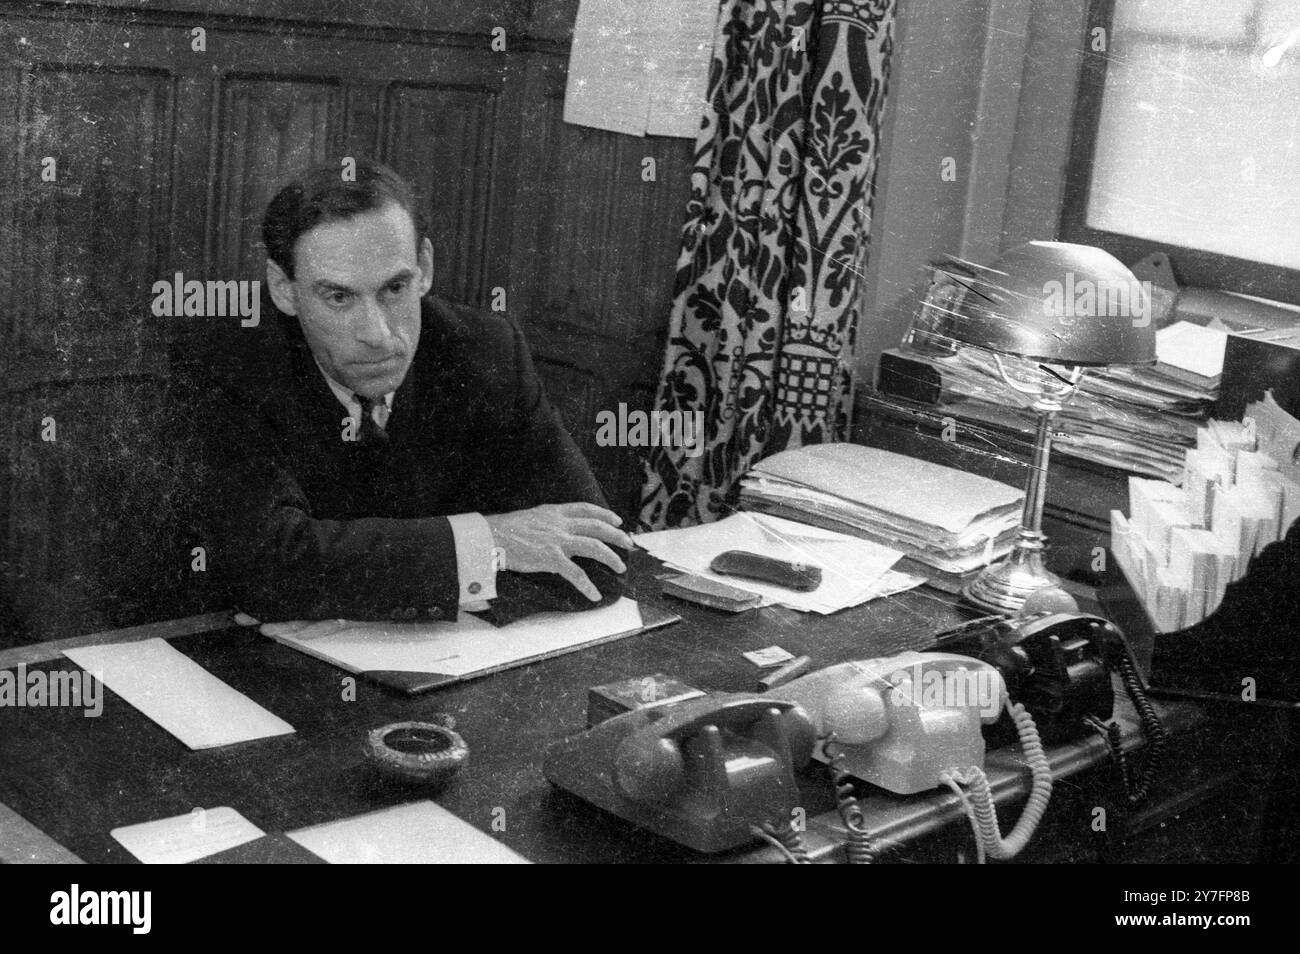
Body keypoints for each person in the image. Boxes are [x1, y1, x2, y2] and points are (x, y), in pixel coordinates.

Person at [188, 158, 631, 625]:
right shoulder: (226, 366)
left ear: (424, 267)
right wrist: (491, 543)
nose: (378, 334)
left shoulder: (485, 351)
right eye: (339, 297)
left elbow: (598, 560)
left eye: (395, 288)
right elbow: (266, 569)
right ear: (284, 289)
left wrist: (349, 578)